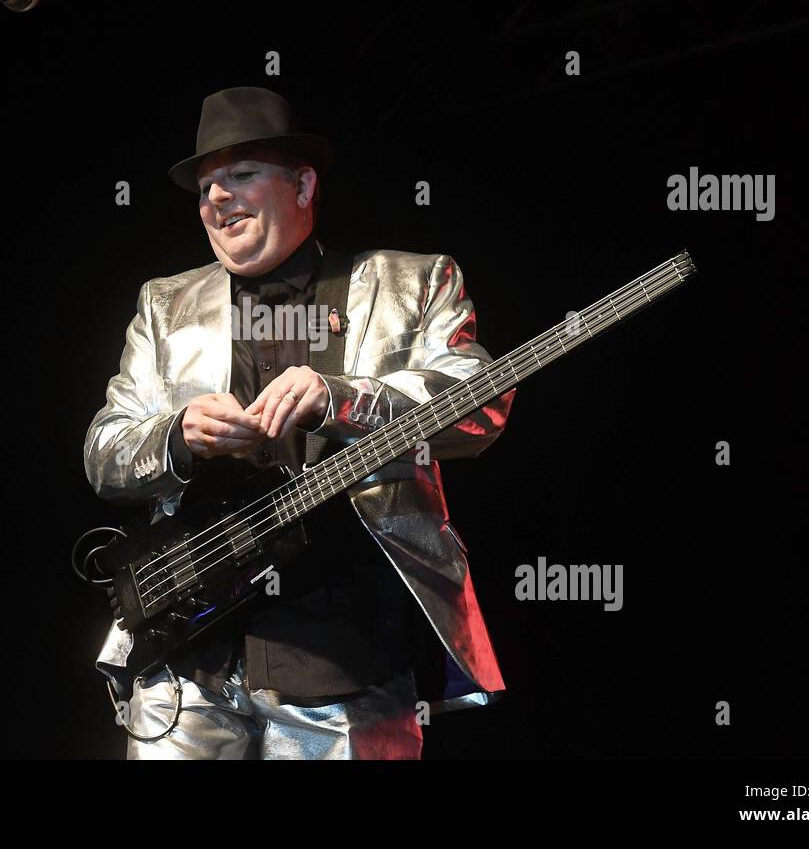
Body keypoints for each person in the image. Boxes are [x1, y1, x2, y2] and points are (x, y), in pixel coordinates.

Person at [84, 86, 515, 759]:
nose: (217, 197)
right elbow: (105, 453)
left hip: (347, 654)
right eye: (205, 187)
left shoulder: (413, 282)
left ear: (303, 185)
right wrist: (176, 436)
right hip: (190, 658)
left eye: (241, 174)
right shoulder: (165, 305)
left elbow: (481, 405)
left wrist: (342, 398)